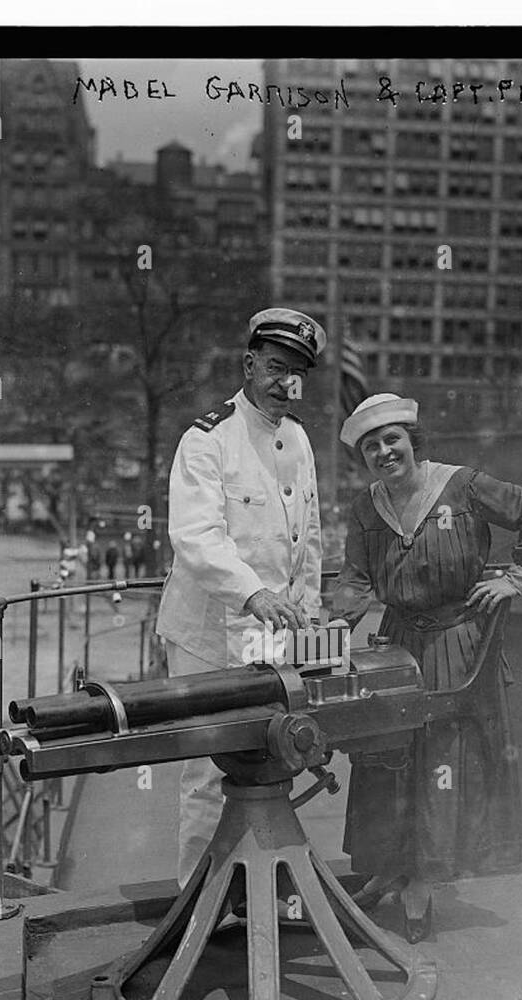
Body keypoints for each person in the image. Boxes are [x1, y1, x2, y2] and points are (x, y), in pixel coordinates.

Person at [330, 393, 522, 940]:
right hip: (398, 646)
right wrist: (332, 633)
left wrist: (515, 577)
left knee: (441, 762)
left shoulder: (462, 485)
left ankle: (423, 884)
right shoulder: (366, 509)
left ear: (413, 442)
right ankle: (390, 866)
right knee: (388, 756)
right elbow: (357, 581)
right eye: (371, 447)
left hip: (459, 646)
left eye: (392, 440)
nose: (384, 452)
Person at [156, 306, 326, 887]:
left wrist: (311, 614)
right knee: (207, 773)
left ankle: (258, 892)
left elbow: (309, 538)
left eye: (297, 374)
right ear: (249, 364)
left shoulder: (299, 441)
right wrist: (253, 593)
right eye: (275, 368)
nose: (286, 384)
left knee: (270, 764)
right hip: (208, 634)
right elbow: (196, 539)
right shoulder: (207, 439)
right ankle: (196, 902)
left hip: (272, 633)